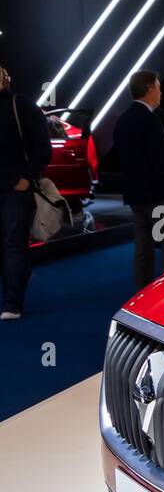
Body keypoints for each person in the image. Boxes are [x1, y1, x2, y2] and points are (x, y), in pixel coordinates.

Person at [114, 70, 164, 288]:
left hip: (135, 194)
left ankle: (143, 291)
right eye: (158, 87)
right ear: (150, 89)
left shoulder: (122, 120)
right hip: (158, 194)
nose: (160, 92)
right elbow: (160, 160)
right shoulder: (150, 120)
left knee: (143, 246)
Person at [0, 64, 52, 320]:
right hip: (12, 187)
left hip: (15, 190)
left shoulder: (21, 106)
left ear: (7, 79)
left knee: (13, 246)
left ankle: (12, 303)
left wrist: (25, 177)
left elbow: (43, 148)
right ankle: (15, 286)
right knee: (12, 248)